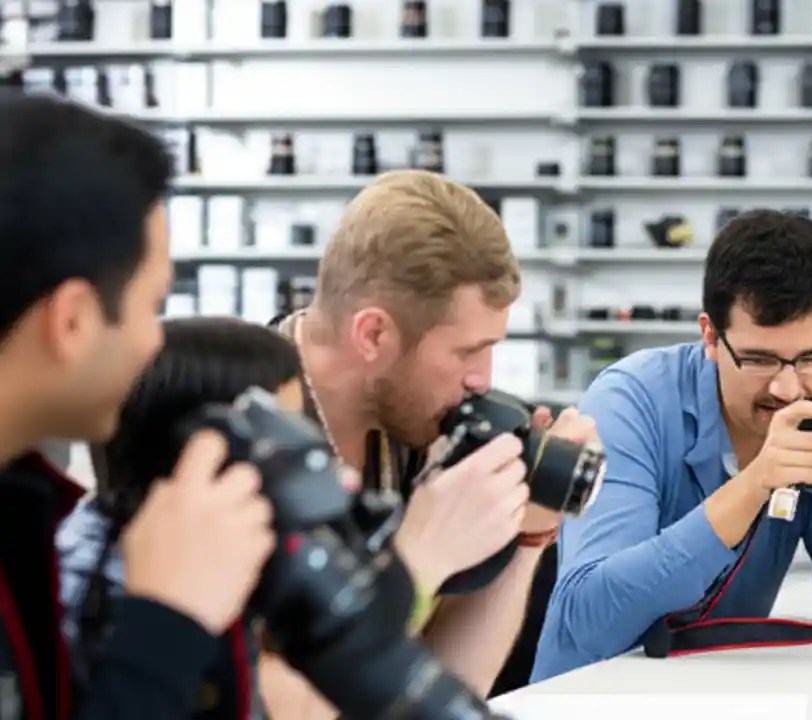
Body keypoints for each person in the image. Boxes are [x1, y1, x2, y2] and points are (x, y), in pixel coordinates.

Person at [531, 209, 812, 682]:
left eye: (811, 357)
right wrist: (753, 486)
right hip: (588, 697)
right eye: (758, 359)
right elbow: (588, 619)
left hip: (728, 693)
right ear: (711, 337)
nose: (787, 389)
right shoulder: (628, 401)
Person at [269, 169, 598, 698]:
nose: (483, 380)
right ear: (373, 334)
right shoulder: (240, 438)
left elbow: (443, 686)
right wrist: (418, 560)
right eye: (468, 352)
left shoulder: (416, 427)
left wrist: (528, 535)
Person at [0, 95, 275, 718]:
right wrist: (167, 621)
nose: (155, 342)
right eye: (153, 306)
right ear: (73, 320)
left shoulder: (25, 512)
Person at [58, 317, 312, 720]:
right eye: (282, 444)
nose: (303, 467)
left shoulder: (209, 567)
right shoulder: (97, 604)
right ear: (198, 450)